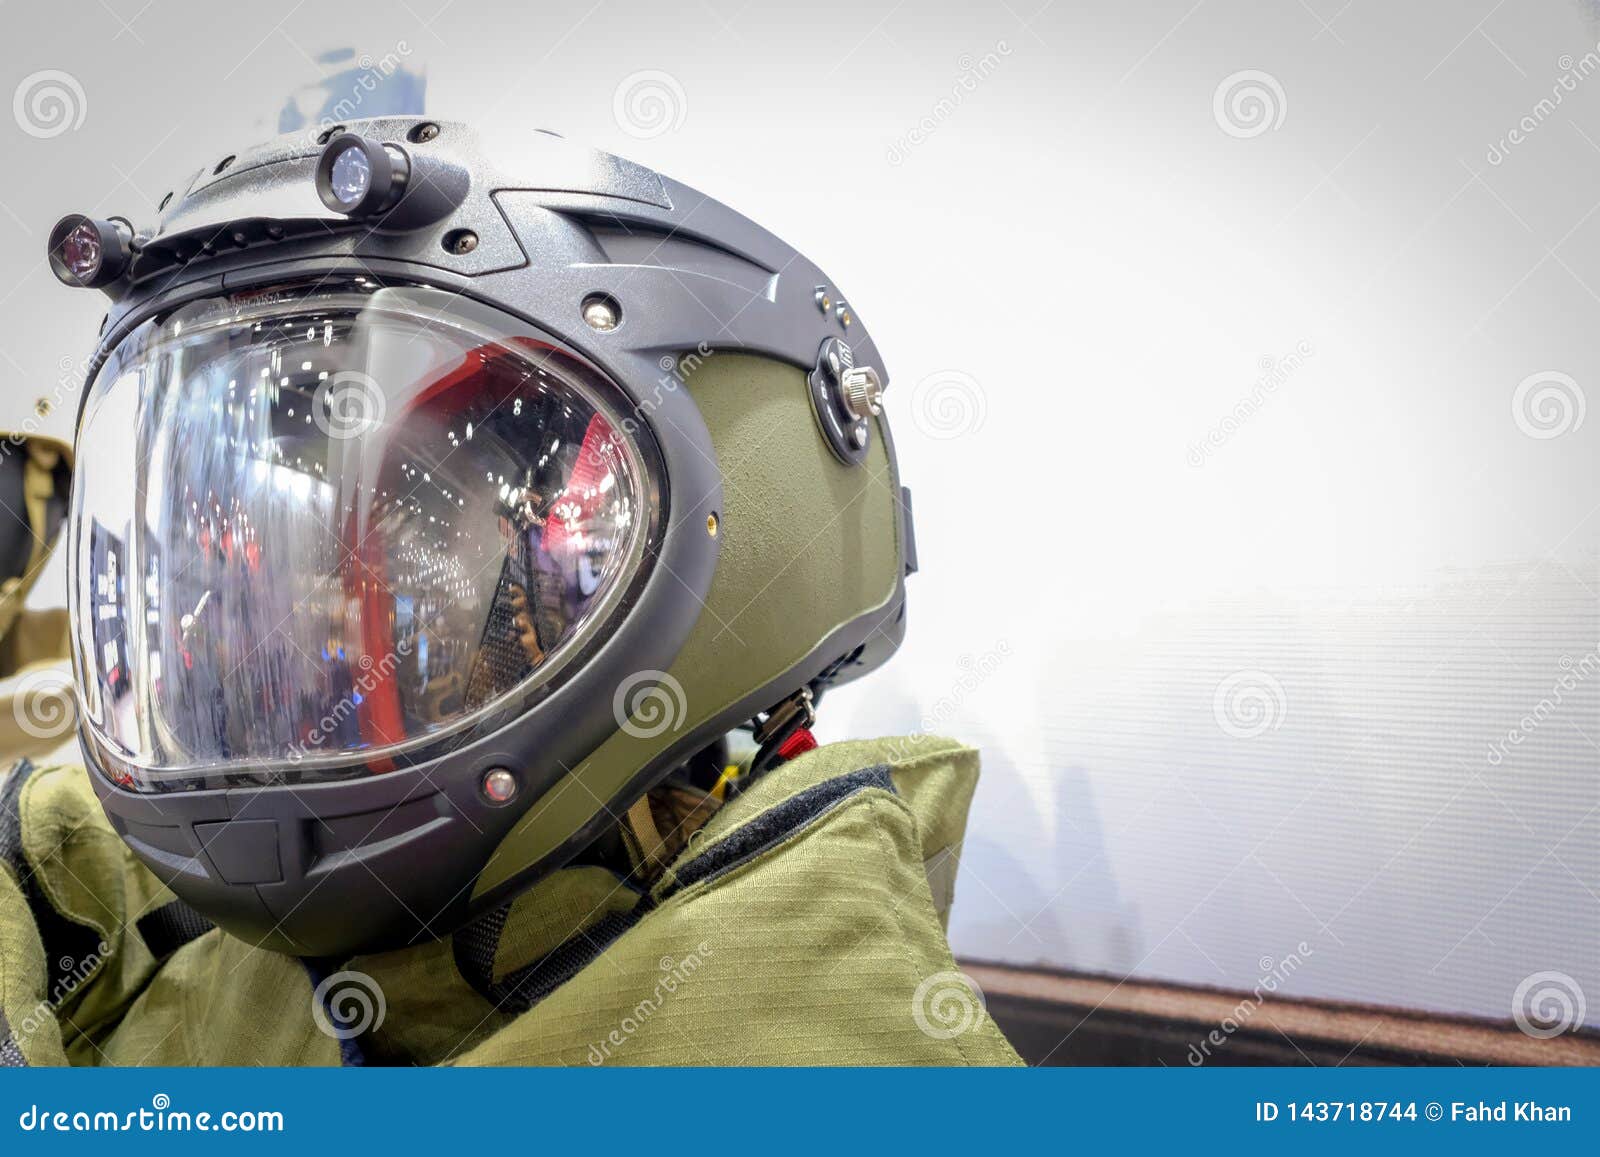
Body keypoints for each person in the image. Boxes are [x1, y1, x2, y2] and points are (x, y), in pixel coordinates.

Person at [0, 120, 1019, 1066]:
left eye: (447, 533)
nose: (378, 609)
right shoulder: (126, 918)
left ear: (758, 524)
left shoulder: (837, 1047)